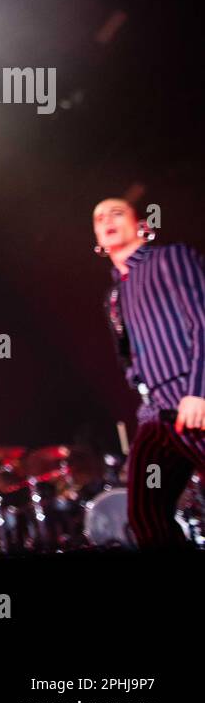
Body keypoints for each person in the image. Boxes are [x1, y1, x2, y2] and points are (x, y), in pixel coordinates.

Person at [94, 197, 205, 548]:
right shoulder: (114, 294)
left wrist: (199, 389)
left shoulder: (170, 258)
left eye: (117, 213)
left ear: (142, 225)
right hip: (155, 414)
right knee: (145, 517)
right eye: (99, 218)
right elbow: (126, 355)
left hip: (190, 396)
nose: (107, 220)